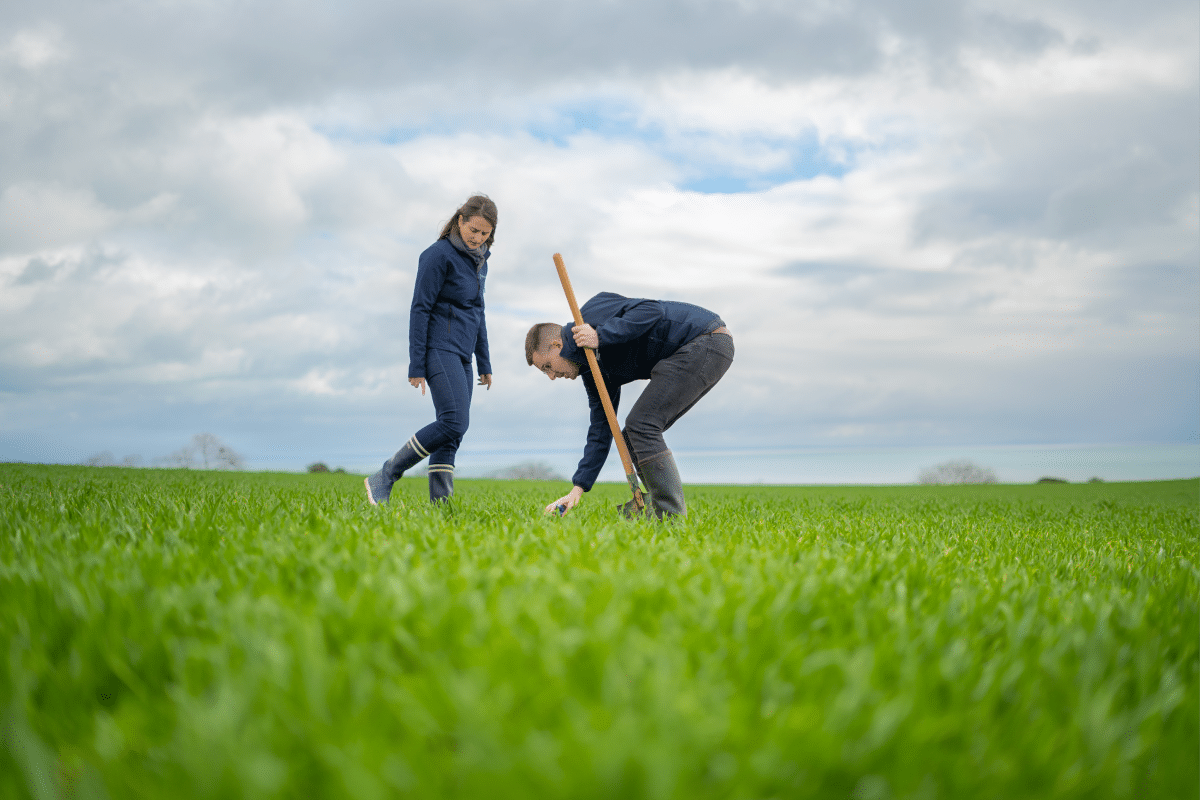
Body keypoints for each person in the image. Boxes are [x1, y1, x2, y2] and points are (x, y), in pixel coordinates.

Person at [525, 292, 734, 519]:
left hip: (705, 339)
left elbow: (653, 310)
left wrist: (600, 335)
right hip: (695, 351)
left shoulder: (590, 314)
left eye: (547, 366)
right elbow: (601, 429)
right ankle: (658, 508)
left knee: (641, 425)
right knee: (631, 435)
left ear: (556, 345)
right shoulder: (593, 371)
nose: (551, 376)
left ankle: (671, 519)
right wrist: (578, 488)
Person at [365, 195, 497, 505]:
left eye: (484, 233)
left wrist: (484, 363)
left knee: (453, 431)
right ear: (459, 220)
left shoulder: (480, 262)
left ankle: (441, 504)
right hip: (440, 347)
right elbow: (420, 308)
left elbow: (478, 313)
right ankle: (385, 475)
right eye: (473, 229)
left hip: (463, 355)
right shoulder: (438, 255)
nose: (477, 237)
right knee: (453, 420)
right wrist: (417, 364)